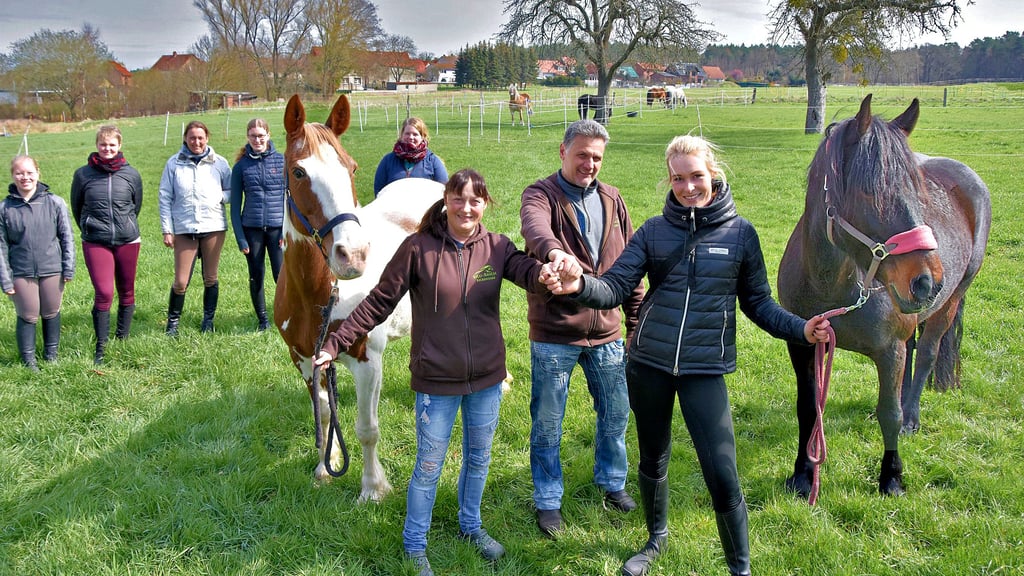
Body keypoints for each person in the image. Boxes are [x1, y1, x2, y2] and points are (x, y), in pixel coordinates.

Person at [547, 135, 832, 576]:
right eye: (678, 178)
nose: (688, 187)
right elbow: (616, 287)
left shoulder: (741, 235)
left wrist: (802, 329)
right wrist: (579, 286)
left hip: (704, 369)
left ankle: (740, 568)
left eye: (696, 176)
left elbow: (759, 304)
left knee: (722, 471)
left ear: (713, 174)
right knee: (652, 458)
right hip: (648, 366)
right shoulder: (654, 231)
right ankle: (655, 539)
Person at [313, 169, 572, 576]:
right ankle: (415, 544)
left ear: (485, 204)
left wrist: (545, 275)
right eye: (458, 198)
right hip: (437, 381)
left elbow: (527, 272)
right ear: (446, 200)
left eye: (475, 200)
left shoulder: (497, 247)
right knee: (429, 466)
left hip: (487, 378)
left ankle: (471, 525)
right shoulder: (418, 248)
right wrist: (334, 342)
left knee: (479, 458)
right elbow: (377, 302)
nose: (466, 207)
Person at [519, 118, 645, 539]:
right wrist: (557, 253)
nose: (589, 164)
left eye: (596, 158)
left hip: (608, 333)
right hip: (556, 332)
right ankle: (548, 499)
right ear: (562, 151)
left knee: (615, 415)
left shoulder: (613, 198)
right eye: (582, 155)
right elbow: (534, 229)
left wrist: (635, 321)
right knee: (549, 423)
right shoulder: (542, 194)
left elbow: (630, 265)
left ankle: (612, 482)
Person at [71, 125, 144, 364]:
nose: (108, 149)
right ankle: (101, 345)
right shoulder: (83, 175)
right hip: (95, 240)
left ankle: (122, 338)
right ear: (97, 145)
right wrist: (90, 227)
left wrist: (125, 226)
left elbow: (137, 205)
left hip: (127, 239)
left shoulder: (131, 174)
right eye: (103, 144)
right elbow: (76, 206)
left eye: (112, 145)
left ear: (119, 146)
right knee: (104, 292)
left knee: (127, 290)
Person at [1, 156, 75, 370]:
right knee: (28, 314)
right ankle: (28, 360)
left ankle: (51, 354)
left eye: (30, 172)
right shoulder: (5, 208)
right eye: (20, 173)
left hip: (52, 268)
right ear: (13, 176)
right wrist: (5, 279)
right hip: (22, 271)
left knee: (51, 311)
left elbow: (67, 237)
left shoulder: (55, 202)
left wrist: (68, 266)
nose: (25, 177)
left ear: (38, 173)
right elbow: (1, 246)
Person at [159, 120, 232, 335]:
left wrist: (220, 196)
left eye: (200, 138)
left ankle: (208, 321)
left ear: (207, 138)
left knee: (210, 277)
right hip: (184, 228)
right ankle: (173, 323)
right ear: (185, 139)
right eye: (192, 138)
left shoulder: (219, 163)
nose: (196, 142)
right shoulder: (174, 164)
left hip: (213, 226)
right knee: (181, 282)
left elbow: (232, 191)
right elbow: (165, 197)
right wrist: (167, 229)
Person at [230, 118, 285, 331]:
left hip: (276, 229)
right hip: (251, 229)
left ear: (268, 136)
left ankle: (284, 314)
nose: (257, 139)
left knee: (280, 276)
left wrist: (285, 231)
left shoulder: (281, 162)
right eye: (253, 136)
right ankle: (263, 319)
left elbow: (288, 199)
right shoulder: (241, 167)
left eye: (261, 135)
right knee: (256, 275)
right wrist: (240, 238)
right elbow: (235, 207)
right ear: (248, 137)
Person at [372, 116, 448, 197]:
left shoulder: (433, 161)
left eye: (415, 134)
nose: (411, 137)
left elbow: (444, 191)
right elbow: (379, 190)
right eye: (407, 133)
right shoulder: (388, 160)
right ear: (401, 135)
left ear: (423, 137)